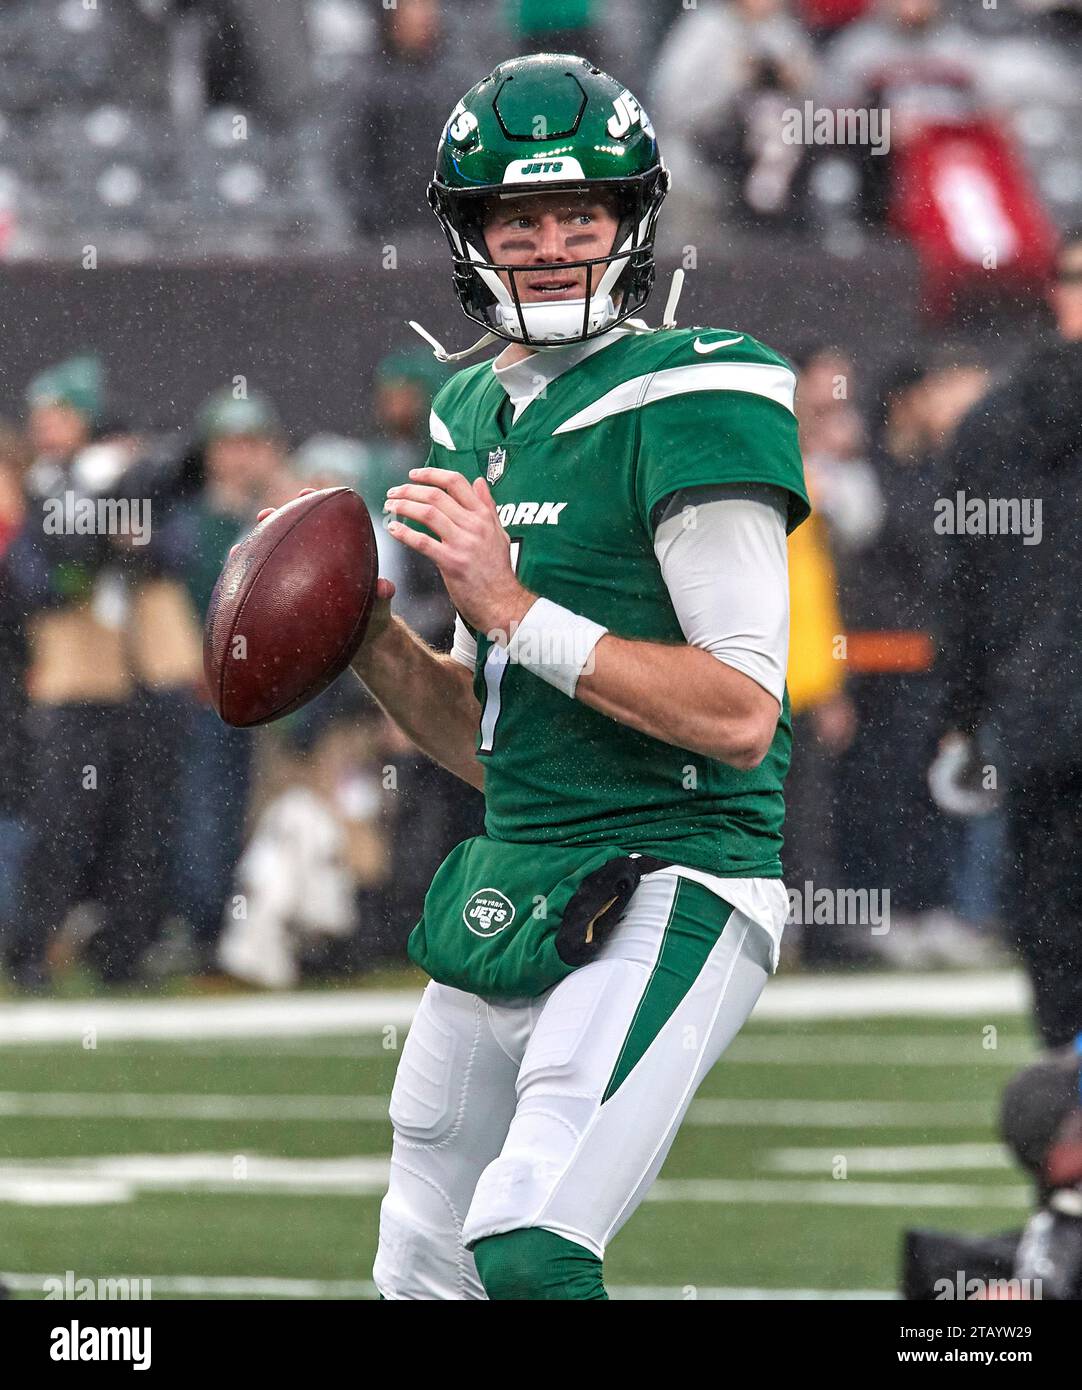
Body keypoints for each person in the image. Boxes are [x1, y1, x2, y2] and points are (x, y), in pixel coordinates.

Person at [258, 54, 809, 1300]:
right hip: (516, 869)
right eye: (520, 218)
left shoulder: (694, 386)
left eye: (581, 214)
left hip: (677, 870)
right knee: (420, 1271)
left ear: (630, 223)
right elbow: (487, 736)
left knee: (530, 1241)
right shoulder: (468, 409)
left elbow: (736, 714)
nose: (553, 242)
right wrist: (367, 639)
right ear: (473, 235)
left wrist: (512, 603)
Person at [936, 229, 1082, 1046]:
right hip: (1040, 711)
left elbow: (961, 584)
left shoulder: (995, 418)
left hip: (1039, 719)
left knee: (1054, 937)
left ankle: (1068, 1129)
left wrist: (957, 713)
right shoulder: (994, 422)